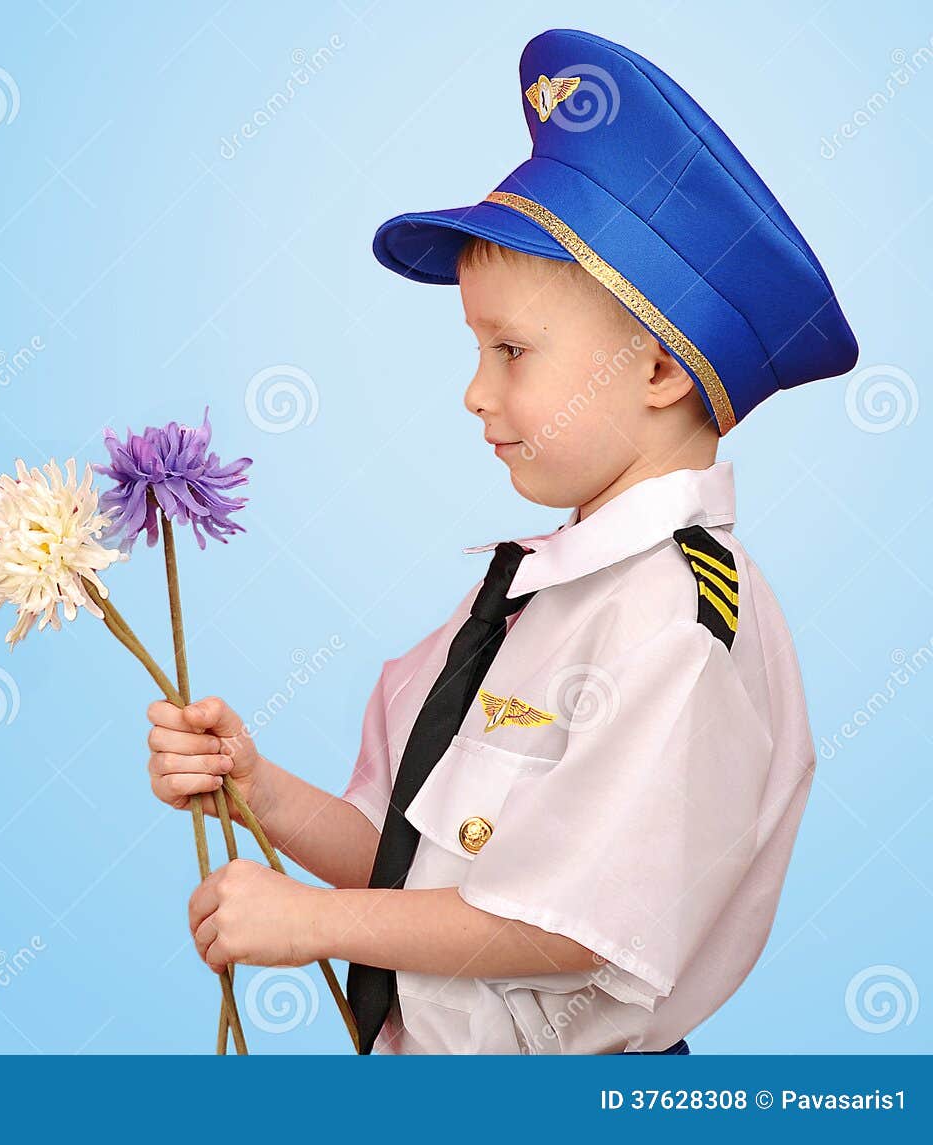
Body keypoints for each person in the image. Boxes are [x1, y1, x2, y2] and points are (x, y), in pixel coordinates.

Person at [146, 28, 858, 1054]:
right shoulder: (526, 597)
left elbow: (565, 926)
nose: (475, 392)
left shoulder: (678, 620)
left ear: (659, 370)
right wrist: (260, 789)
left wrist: (308, 923)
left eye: (511, 351)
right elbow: (402, 857)